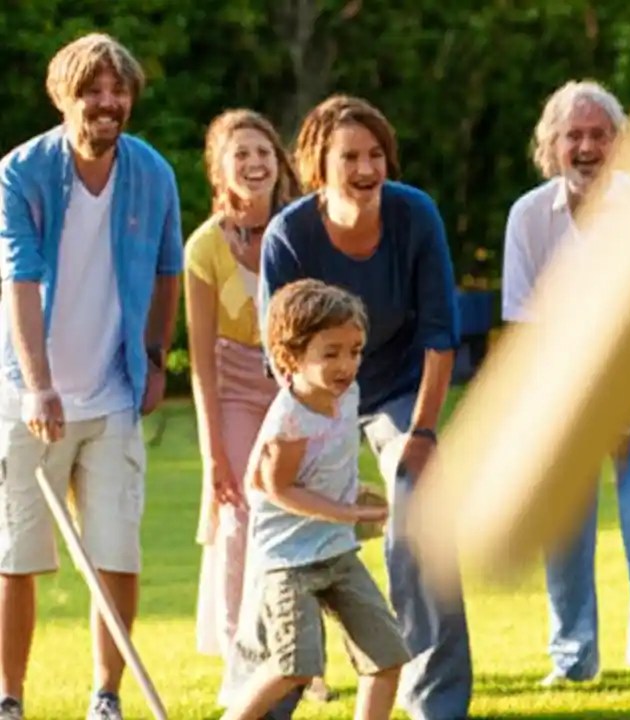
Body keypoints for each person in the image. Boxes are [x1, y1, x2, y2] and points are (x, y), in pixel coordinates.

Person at [259, 95, 470, 719]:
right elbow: (280, 357)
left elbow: (439, 334)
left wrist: (423, 434)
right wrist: (321, 442)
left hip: (400, 389)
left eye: (376, 154)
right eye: (349, 155)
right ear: (317, 166)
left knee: (421, 512)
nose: (365, 166)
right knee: (289, 530)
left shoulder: (415, 215)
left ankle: (437, 703)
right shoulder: (289, 235)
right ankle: (268, 700)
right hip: (313, 400)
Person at [0, 33, 182, 720]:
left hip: (112, 395)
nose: (107, 104)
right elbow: (18, 279)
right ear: (62, 98)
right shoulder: (20, 172)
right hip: (27, 395)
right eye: (91, 92)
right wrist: (38, 384)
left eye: (118, 91)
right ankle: (9, 697)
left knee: (116, 550)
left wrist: (157, 355)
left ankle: (105, 696)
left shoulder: (153, 173)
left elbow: (168, 270)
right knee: (16, 556)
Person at [502, 79, 630, 691]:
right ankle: (573, 658)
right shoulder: (528, 218)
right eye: (572, 135)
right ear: (550, 146)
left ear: (620, 142)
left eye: (597, 135)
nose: (585, 146)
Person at [186, 109, 337, 706]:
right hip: (232, 388)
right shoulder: (205, 246)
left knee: (305, 516)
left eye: (263, 153)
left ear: (280, 164)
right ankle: (242, 665)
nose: (253, 164)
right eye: (240, 154)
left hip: (294, 388)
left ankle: (306, 660)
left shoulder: (299, 230)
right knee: (240, 522)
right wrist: (212, 452)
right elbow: (198, 360)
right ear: (220, 168)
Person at [222, 278, 408, 720]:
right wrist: (350, 512)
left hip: (336, 550)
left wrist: (362, 496)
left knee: (386, 656)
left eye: (355, 350)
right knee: (293, 667)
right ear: (291, 358)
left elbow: (332, 463)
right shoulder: (290, 419)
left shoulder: (347, 396)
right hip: (288, 561)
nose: (347, 364)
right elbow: (275, 487)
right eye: (331, 353)